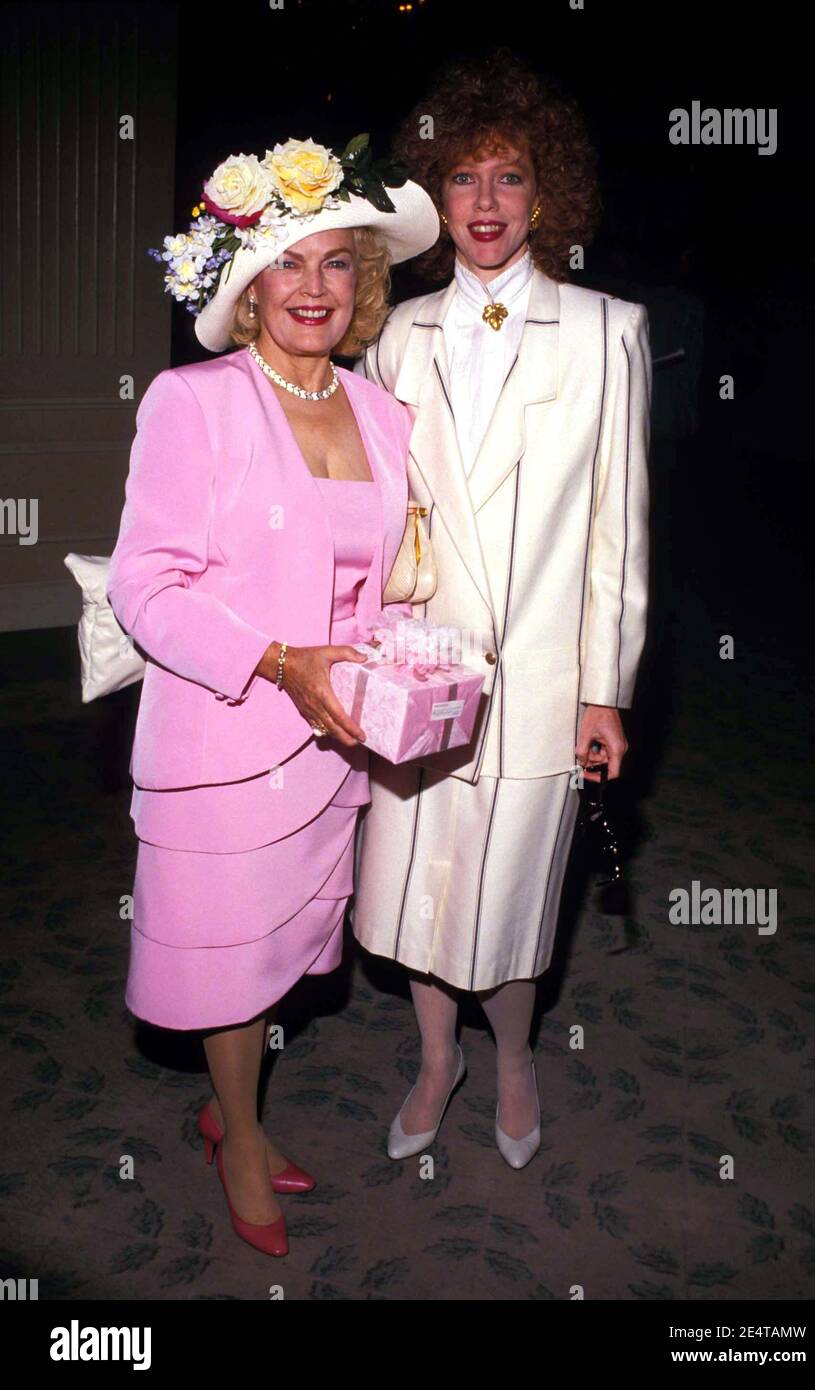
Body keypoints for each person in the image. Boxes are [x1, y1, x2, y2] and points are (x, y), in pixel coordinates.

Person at [107, 135, 437, 1254]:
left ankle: (228, 1105)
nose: (314, 288)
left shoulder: (383, 417)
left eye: (338, 265)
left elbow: (378, 583)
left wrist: (406, 666)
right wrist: (279, 661)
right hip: (228, 731)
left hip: (333, 745)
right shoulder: (194, 402)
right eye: (289, 266)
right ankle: (239, 1130)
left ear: (364, 288)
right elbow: (148, 587)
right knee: (230, 959)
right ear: (248, 288)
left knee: (285, 951)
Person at [352, 53, 651, 1168]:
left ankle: (513, 1057)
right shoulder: (398, 332)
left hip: (533, 682)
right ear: (437, 195)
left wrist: (602, 693)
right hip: (420, 675)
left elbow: (618, 534)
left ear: (548, 194)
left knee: (514, 901)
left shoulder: (605, 331)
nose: (485, 204)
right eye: (464, 178)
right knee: (419, 892)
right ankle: (438, 1060)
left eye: (510, 178)